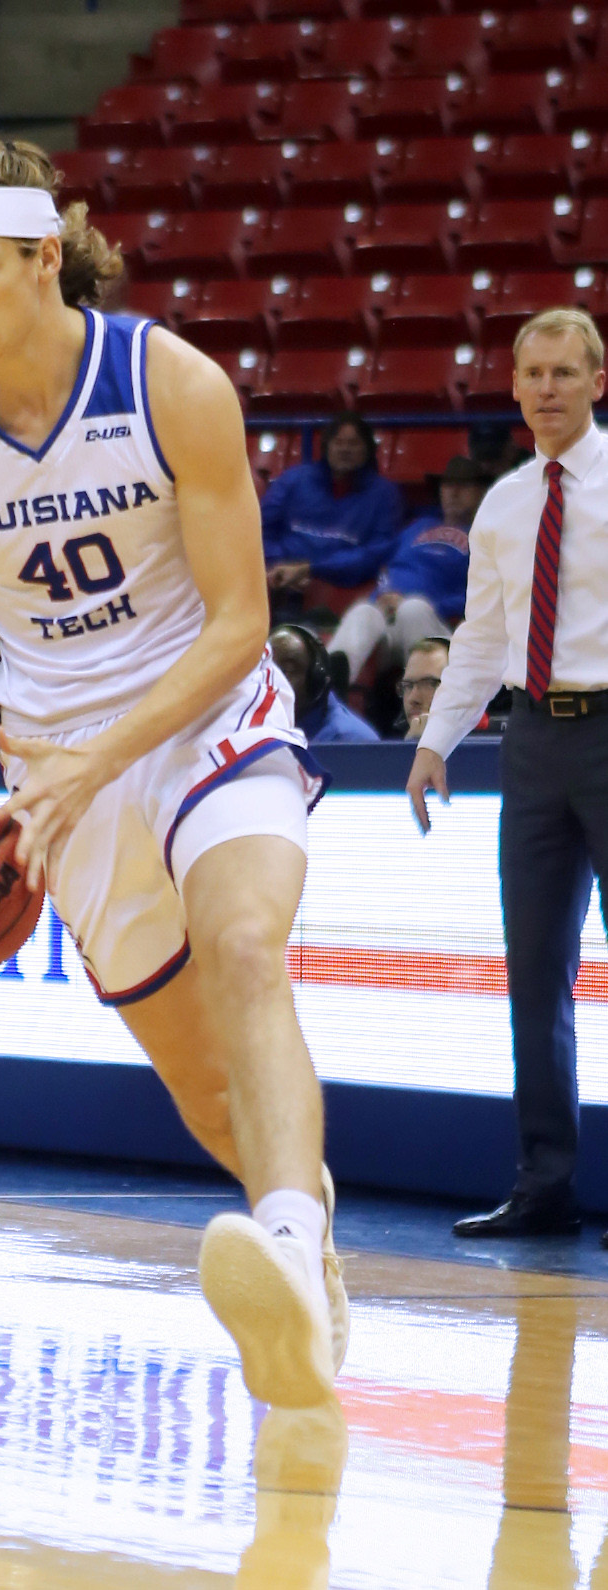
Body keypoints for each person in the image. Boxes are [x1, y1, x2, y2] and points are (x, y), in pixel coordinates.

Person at [0, 137, 350, 1410]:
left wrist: (100, 760)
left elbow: (243, 621)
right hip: (46, 770)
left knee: (244, 944)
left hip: (201, 716)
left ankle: (291, 1244)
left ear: (44, 255)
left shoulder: (171, 385)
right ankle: (307, 1284)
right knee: (195, 1077)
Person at [406, 306, 608, 1247]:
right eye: (534, 374)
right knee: (535, 974)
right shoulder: (504, 502)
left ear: (597, 383)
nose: (548, 389)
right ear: (516, 387)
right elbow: (483, 638)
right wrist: (436, 739)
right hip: (531, 743)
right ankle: (544, 1185)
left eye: (566, 372)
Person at [328, 455, 489, 691]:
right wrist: (311, 566)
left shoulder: (486, 536)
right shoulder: (418, 526)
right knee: (363, 611)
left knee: (413, 609)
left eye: (463, 486)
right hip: (386, 619)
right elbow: (371, 557)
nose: (453, 493)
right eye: (448, 485)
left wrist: (433, 605)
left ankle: (429, 705)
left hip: (440, 626)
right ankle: (326, 692)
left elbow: (487, 598)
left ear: (482, 492)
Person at [260, 412, 404, 622]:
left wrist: (310, 569)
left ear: (367, 450)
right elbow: (260, 529)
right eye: (339, 442)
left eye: (353, 443)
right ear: (327, 446)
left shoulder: (384, 494)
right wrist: (280, 565)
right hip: (283, 585)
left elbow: (377, 552)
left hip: (348, 595)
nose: (345, 449)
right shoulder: (293, 480)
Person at [269, 624, 380, 745]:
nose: (271, 681)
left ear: (315, 680)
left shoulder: (352, 741)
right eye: (266, 670)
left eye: (286, 671)